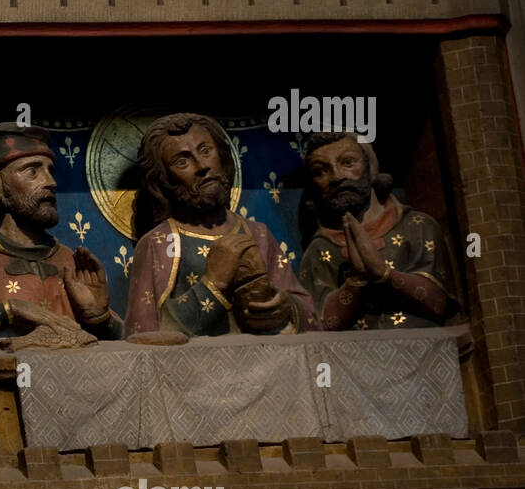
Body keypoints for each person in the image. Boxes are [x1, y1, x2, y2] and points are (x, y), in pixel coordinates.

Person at [125, 112, 317, 337]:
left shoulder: (258, 234)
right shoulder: (159, 243)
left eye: (206, 151)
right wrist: (212, 285)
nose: (201, 166)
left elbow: (308, 312)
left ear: (222, 156)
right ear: (164, 180)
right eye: (182, 161)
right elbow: (144, 335)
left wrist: (285, 307)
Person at [0, 122, 121, 347]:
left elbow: (126, 344)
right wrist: (9, 310)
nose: (51, 182)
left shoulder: (67, 259)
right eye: (32, 171)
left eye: (50, 170)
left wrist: (99, 317)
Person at [298, 130, 455, 329]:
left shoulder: (418, 226)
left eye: (348, 162)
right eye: (320, 172)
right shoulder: (319, 251)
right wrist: (355, 281)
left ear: (371, 168)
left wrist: (384, 274)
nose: (336, 177)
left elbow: (439, 303)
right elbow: (317, 325)